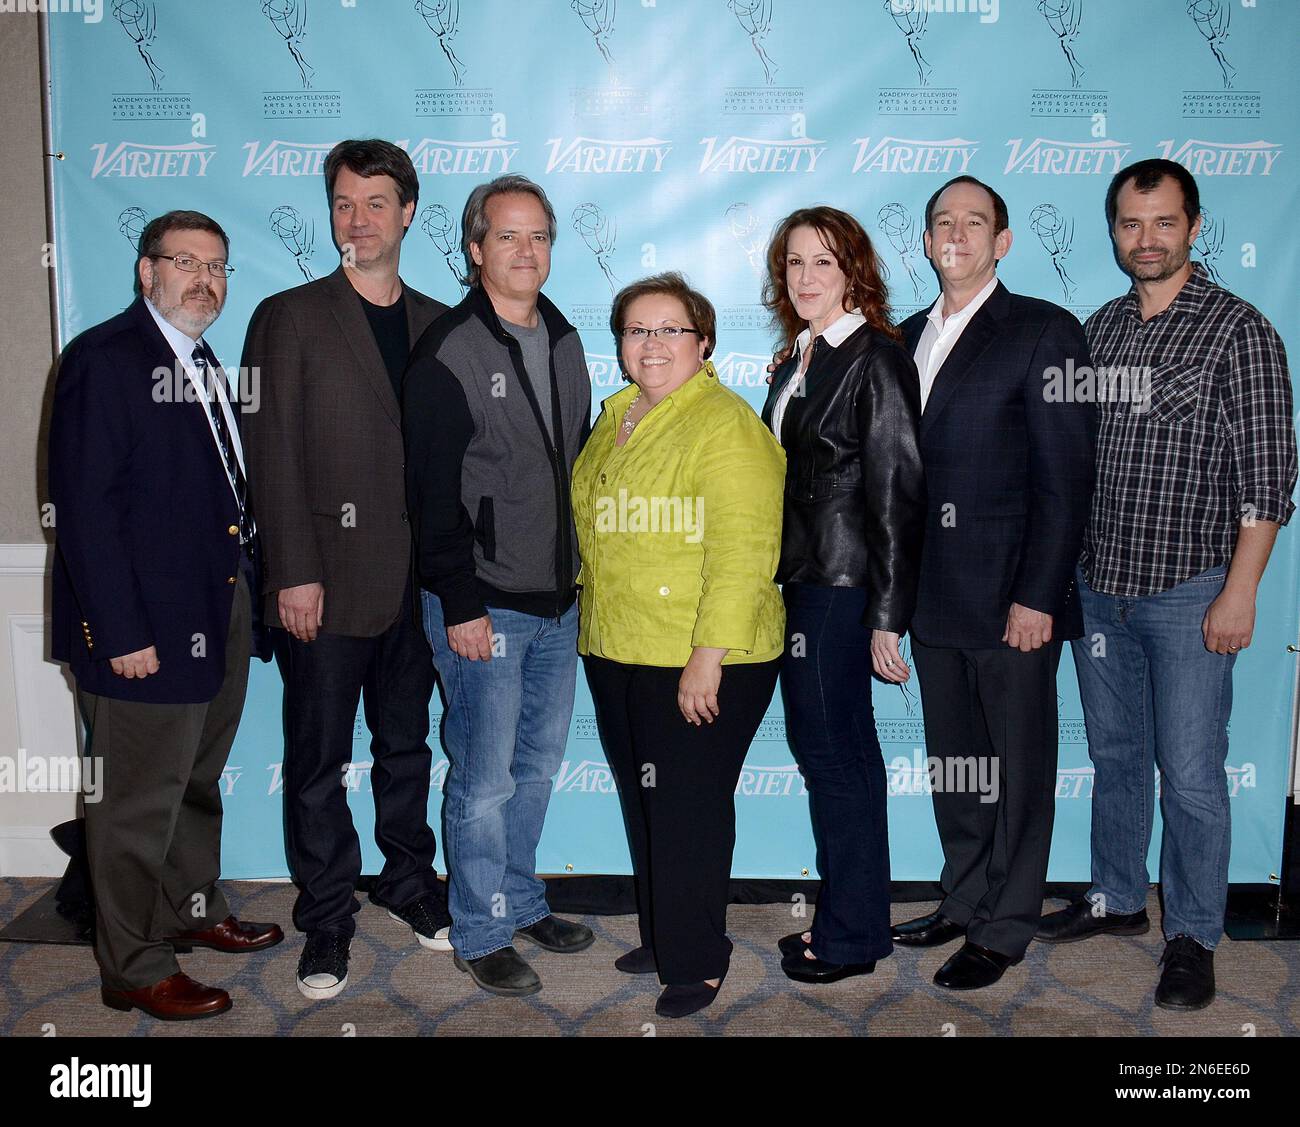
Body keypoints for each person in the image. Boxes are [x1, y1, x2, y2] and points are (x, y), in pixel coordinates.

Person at [1037, 159, 1297, 1010]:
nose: (1145, 239)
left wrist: (1241, 590)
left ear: (1193, 225)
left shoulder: (1240, 331)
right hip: (1102, 583)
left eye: (1163, 223)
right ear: (1113, 230)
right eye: (1129, 224)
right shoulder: (1097, 331)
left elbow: (1268, 478)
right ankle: (1116, 895)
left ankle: (1191, 931)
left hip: (1191, 589)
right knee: (1115, 755)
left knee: (1188, 770)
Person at [49, 210, 281, 1020]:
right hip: (141, 632)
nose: (204, 279)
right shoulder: (107, 360)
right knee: (135, 804)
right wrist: (120, 635)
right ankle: (134, 965)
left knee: (194, 784)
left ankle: (190, 911)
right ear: (146, 272)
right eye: (185, 262)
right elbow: (84, 509)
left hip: (216, 614)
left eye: (217, 266)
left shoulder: (204, 360)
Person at [242, 139, 449, 1001]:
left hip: (419, 588)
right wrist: (292, 570)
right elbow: (270, 451)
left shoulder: (443, 322)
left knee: (408, 748)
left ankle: (408, 881)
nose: (356, 219)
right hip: (320, 585)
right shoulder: (286, 315)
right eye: (342, 203)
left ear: (407, 214)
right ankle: (326, 915)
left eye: (374, 203)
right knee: (317, 759)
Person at [894, 175, 1097, 989]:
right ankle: (963, 896)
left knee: (1016, 769)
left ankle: (1006, 924)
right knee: (959, 766)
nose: (957, 233)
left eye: (974, 222)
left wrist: (1040, 594)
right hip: (930, 599)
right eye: (943, 221)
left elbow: (1068, 476)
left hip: (1014, 600)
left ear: (1002, 241)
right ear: (927, 240)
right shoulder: (905, 334)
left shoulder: (1047, 331)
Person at [572, 272, 785, 1018]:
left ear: (704, 343)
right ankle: (666, 933)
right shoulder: (619, 414)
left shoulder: (726, 426)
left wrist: (708, 655)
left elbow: (744, 550)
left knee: (687, 808)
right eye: (637, 330)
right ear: (621, 345)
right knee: (646, 802)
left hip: (702, 656)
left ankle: (698, 957)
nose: (652, 343)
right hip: (618, 643)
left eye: (670, 330)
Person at [403, 174, 593, 998]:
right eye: (508, 237)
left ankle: (518, 898)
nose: (527, 252)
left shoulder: (565, 336)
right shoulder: (447, 351)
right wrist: (463, 602)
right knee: (482, 778)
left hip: (557, 603)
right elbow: (430, 492)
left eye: (540, 236)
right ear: (475, 249)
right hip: (482, 601)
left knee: (538, 767)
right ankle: (479, 927)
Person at [759, 208, 925, 984]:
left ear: (854, 269)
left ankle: (853, 936)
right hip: (803, 581)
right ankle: (855, 922)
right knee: (839, 753)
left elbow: (897, 493)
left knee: (836, 757)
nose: (805, 277)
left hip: (841, 586)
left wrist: (889, 617)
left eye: (823, 262)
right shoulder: (803, 357)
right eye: (794, 263)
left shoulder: (876, 357)